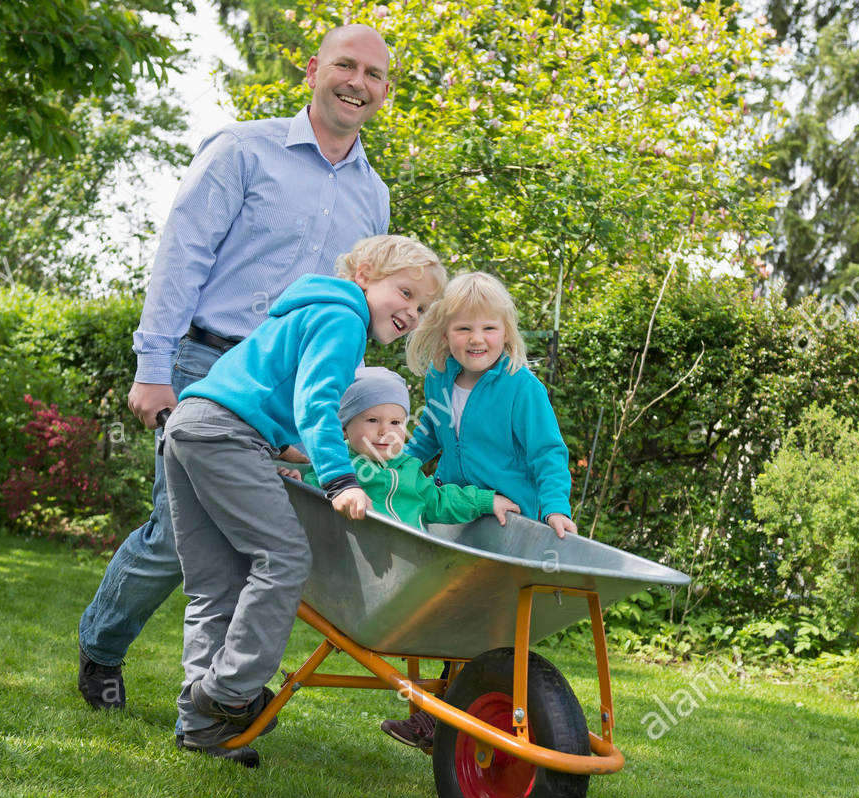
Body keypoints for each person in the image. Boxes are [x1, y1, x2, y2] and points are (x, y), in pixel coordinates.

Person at [77, 23, 394, 711]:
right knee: (174, 537)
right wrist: (152, 365)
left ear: (384, 92)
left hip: (285, 393)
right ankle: (102, 646)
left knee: (251, 549)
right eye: (345, 65)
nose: (357, 83)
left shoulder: (375, 196)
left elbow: (356, 318)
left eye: (373, 75)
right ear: (312, 69)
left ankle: (216, 699)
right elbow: (182, 254)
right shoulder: (242, 150)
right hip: (204, 367)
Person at [163, 234, 446, 766]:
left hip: (192, 424)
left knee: (214, 584)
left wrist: (305, 458)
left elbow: (281, 408)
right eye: (405, 293)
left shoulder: (310, 308)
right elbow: (316, 404)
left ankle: (201, 728)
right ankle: (229, 694)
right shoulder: (343, 319)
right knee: (285, 557)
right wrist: (340, 481)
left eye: (422, 307)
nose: (412, 312)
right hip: (226, 434)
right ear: (363, 272)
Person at [379, 271, 577, 749]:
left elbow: (547, 453)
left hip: (507, 520)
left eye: (488, 328)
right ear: (444, 332)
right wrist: (387, 467)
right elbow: (427, 438)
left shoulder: (519, 388)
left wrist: (553, 508)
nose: (476, 339)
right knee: (453, 613)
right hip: (456, 509)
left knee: (478, 623)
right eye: (464, 328)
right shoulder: (441, 381)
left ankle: (444, 720)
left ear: (506, 332)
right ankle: (442, 719)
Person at [326, 366, 521, 530]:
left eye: (395, 422)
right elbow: (311, 496)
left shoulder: (407, 469)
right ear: (344, 427)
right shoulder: (339, 467)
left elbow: (440, 500)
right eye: (372, 420)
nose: (385, 431)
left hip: (409, 562)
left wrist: (485, 501)